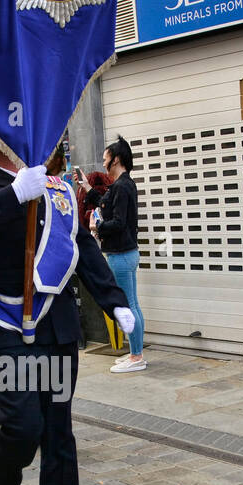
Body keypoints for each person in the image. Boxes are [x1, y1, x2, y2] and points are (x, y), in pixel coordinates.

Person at [0, 130, 132, 485]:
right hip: (7, 323)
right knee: (22, 425)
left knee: (57, 429)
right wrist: (13, 195)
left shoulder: (57, 188)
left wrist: (112, 299)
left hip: (55, 323)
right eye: (1, 134)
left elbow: (81, 247)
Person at [83, 136, 144, 373]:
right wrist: (88, 190)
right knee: (133, 305)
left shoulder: (121, 186)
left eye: (105, 158)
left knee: (129, 306)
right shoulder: (123, 184)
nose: (103, 162)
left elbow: (118, 222)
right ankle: (135, 353)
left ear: (116, 159)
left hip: (121, 254)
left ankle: (136, 356)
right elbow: (107, 206)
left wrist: (97, 227)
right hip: (126, 253)